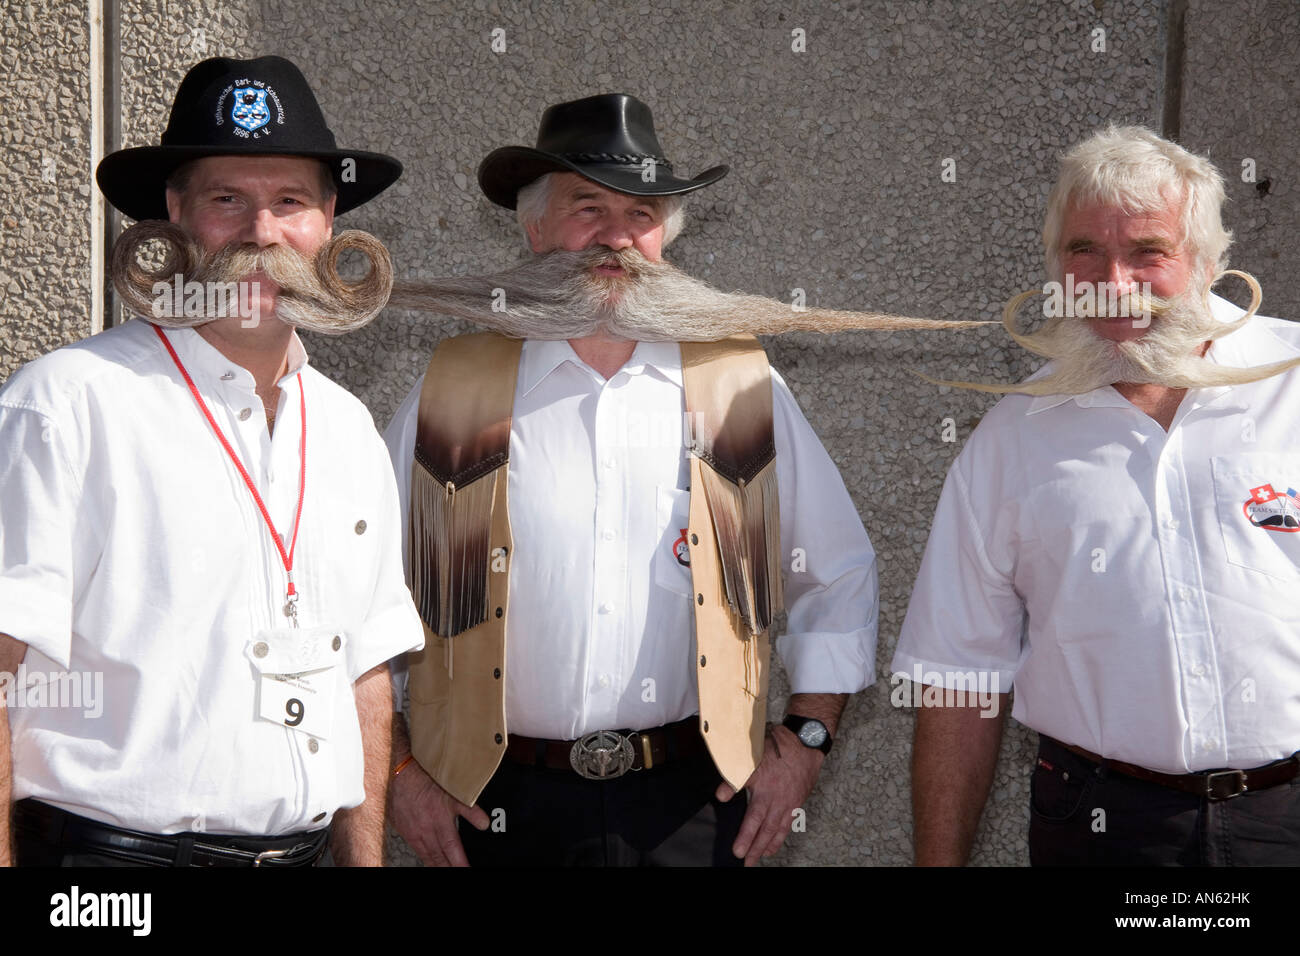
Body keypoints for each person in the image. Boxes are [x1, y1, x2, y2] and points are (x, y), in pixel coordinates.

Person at [384, 93, 879, 866]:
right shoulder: (453, 388)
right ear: (535, 227)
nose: (616, 236)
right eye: (588, 208)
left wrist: (808, 738)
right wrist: (401, 772)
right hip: (491, 808)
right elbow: (357, 593)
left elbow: (837, 571)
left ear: (665, 238)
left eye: (641, 215)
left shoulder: (737, 386)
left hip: (692, 808)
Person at [0, 55, 423, 867]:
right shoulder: (66, 403)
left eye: (290, 202)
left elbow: (366, 677)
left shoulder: (347, 428)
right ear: (174, 215)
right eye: (229, 200)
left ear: (330, 221)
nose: (262, 234)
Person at [893, 125, 1300, 866]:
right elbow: (959, 680)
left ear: (1208, 262)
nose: (1113, 282)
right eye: (1084, 251)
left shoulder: (1293, 381)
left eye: (1149, 251)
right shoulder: (1012, 439)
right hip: (1103, 825)